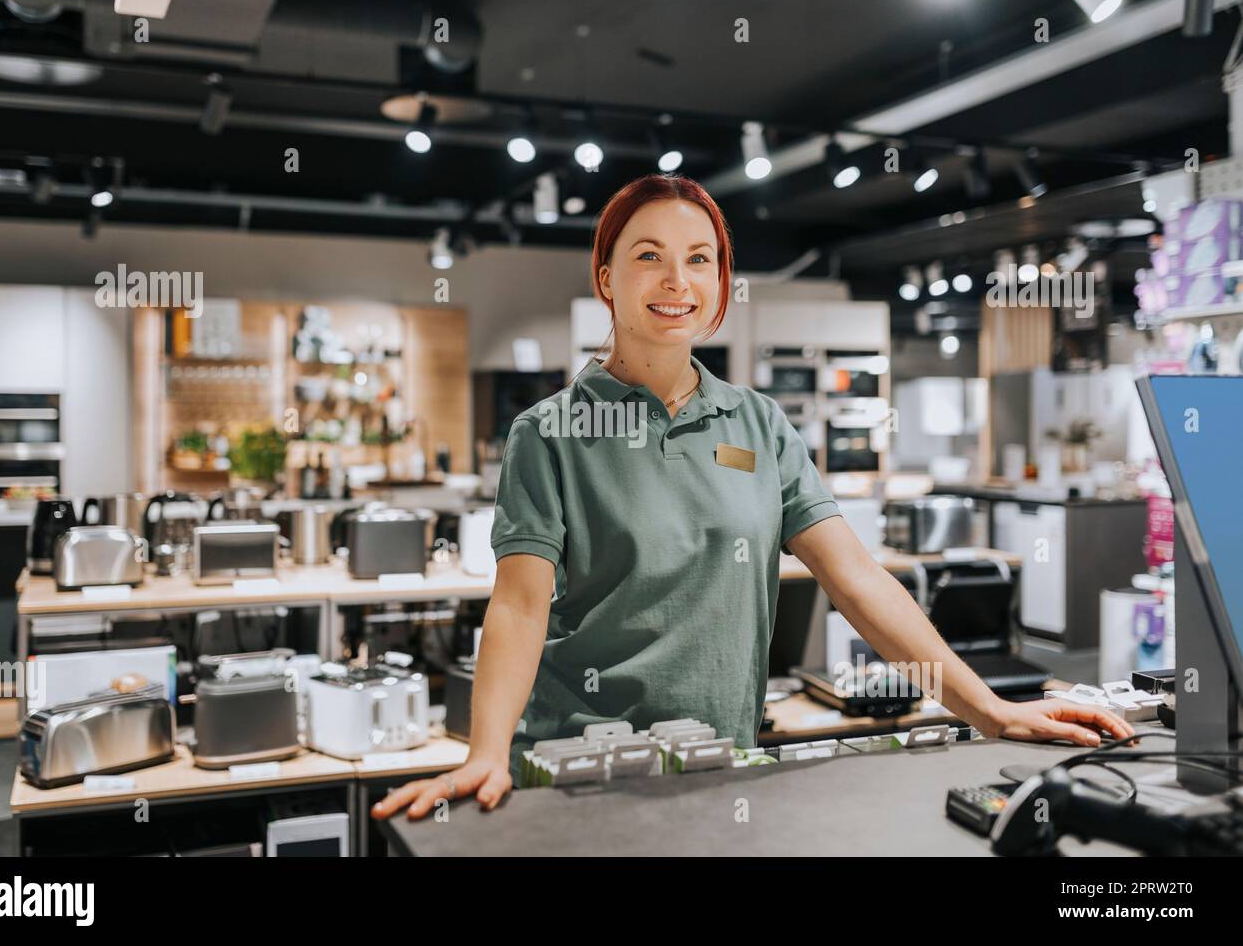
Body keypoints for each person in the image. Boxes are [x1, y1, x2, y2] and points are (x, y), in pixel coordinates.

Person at [373, 173, 1134, 821]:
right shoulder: (550, 434)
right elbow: (518, 608)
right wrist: (487, 752)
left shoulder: (759, 425)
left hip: (723, 770)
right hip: (579, 775)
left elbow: (860, 580)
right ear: (606, 278)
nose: (678, 281)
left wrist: (988, 708)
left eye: (699, 260)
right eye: (650, 257)